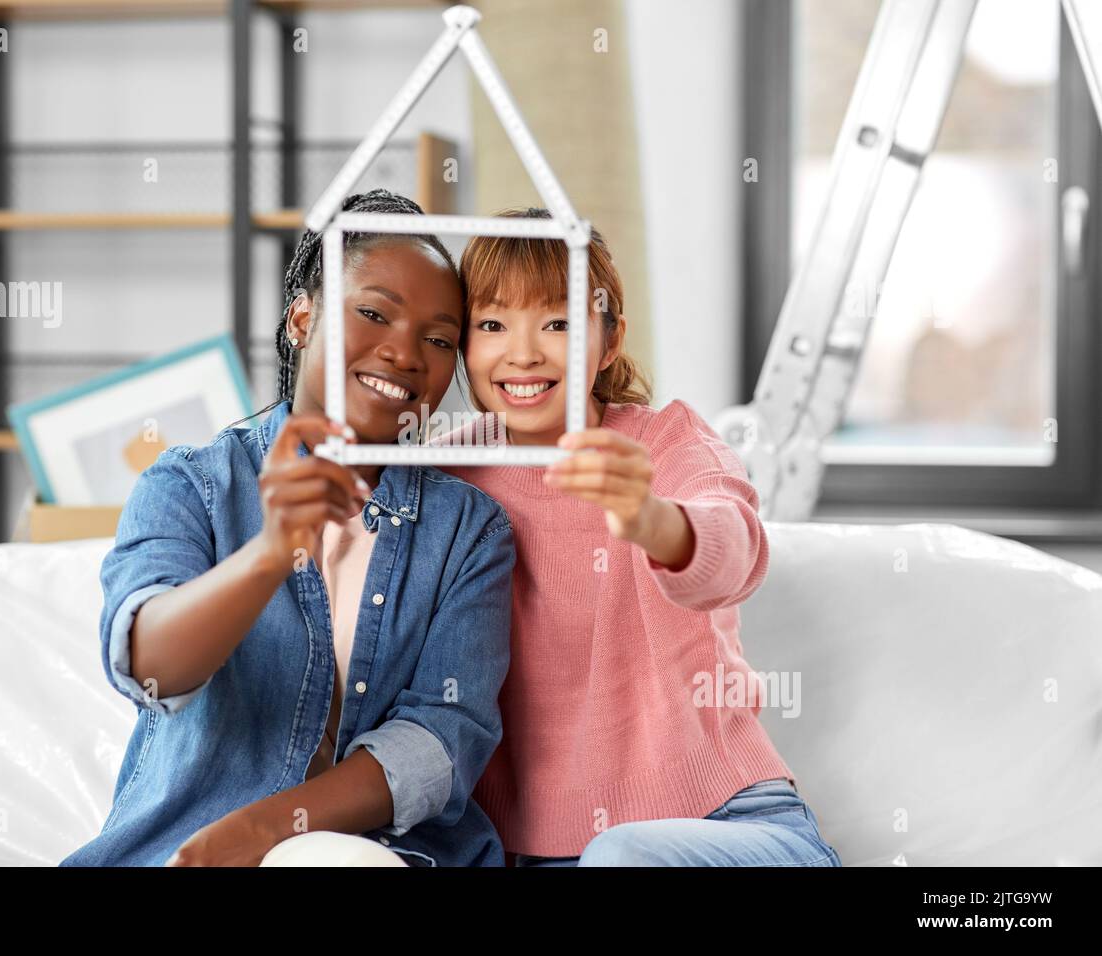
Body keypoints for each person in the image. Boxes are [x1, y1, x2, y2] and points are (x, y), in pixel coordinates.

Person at [60, 189, 514, 868]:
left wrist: (263, 832)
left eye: (439, 338)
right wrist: (271, 553)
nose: (405, 353)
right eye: (373, 313)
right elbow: (152, 667)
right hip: (183, 850)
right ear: (304, 318)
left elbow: (441, 740)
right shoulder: (191, 486)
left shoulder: (468, 531)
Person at [438, 207, 843, 867]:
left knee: (620, 856)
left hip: (729, 823)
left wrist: (650, 519)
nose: (522, 352)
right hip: (533, 852)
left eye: (558, 323)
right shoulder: (445, 474)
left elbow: (736, 549)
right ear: (462, 342)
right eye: (491, 324)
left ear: (610, 339)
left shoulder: (666, 441)